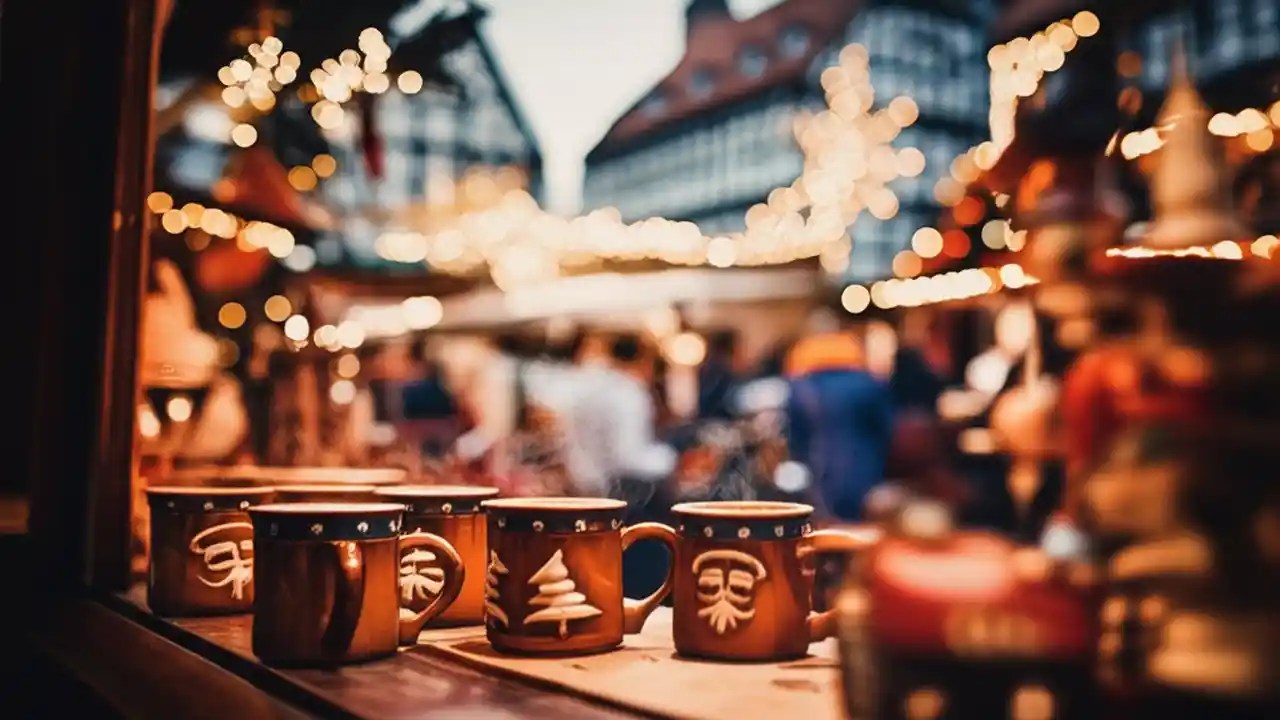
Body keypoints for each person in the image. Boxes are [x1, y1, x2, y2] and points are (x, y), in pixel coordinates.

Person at [785, 325, 894, 522]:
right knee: (864, 521)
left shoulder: (801, 388)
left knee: (825, 522)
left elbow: (795, 437)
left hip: (819, 467)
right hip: (865, 462)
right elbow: (886, 428)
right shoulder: (868, 384)